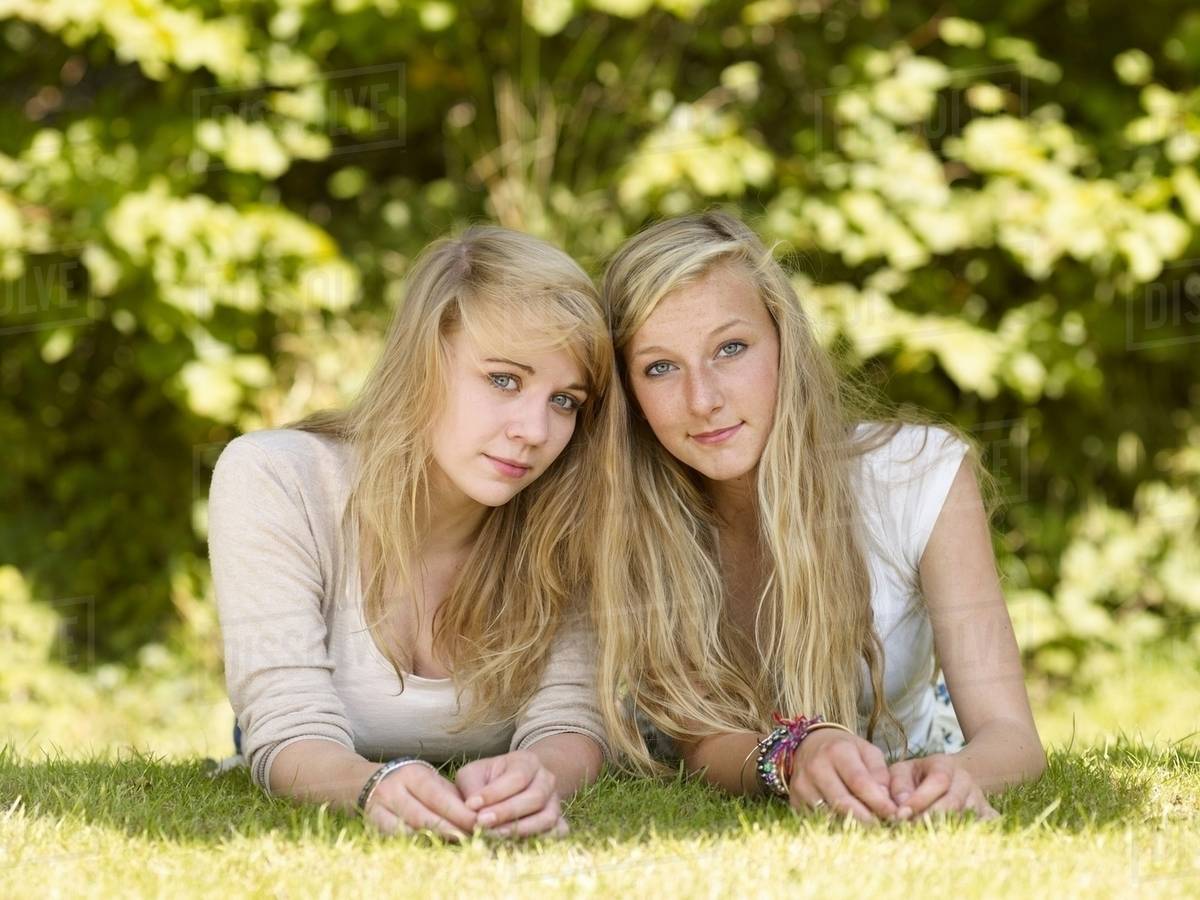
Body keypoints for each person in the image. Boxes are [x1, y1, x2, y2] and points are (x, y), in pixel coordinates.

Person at [594, 210, 1046, 823]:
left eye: (731, 348)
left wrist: (947, 776)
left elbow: (1011, 736)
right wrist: (793, 756)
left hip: (912, 746)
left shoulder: (917, 474)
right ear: (629, 394)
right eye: (660, 367)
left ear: (785, 343)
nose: (704, 400)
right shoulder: (627, 516)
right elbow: (698, 737)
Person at [207, 225, 614, 840]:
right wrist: (370, 786)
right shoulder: (279, 478)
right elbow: (286, 727)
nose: (534, 429)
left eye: (565, 400)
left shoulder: (565, 508)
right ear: (423, 362)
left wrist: (536, 777)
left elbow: (572, 719)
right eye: (504, 380)